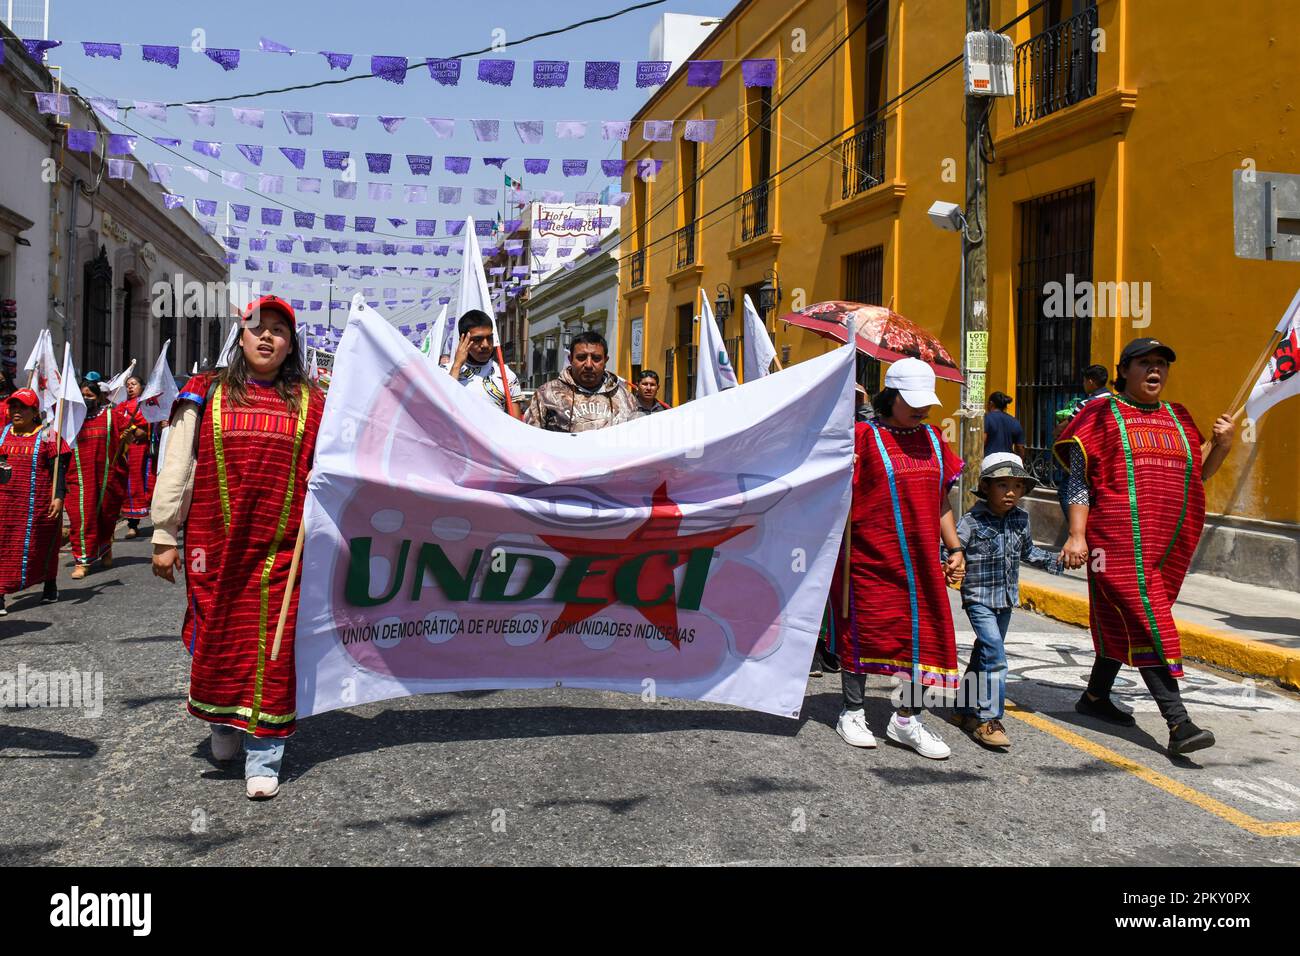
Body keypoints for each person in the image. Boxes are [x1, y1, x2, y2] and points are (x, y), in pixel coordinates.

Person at [151, 295, 325, 800]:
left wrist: (325, 472)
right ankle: (224, 726)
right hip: (215, 545)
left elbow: (339, 458)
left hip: (282, 549)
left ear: (291, 343)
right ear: (241, 336)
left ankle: (264, 752)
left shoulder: (314, 402)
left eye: (279, 330)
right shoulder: (203, 392)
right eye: (258, 328)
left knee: (273, 648)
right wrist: (165, 534)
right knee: (220, 636)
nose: (267, 337)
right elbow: (178, 465)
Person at [1056, 338, 1234, 756]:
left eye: (1161, 364)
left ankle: (1095, 697)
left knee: (1129, 618)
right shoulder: (1101, 414)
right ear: (1124, 371)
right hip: (1112, 541)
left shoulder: (1179, 417)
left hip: (1163, 544)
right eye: (1145, 363)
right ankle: (1179, 722)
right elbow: (1080, 481)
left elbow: (1197, 475)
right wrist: (1077, 534)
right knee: (1146, 617)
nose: (1155, 371)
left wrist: (1222, 444)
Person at [827, 357, 966, 759]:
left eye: (926, 402)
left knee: (926, 635)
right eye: (911, 401)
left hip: (923, 560)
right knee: (864, 629)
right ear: (891, 396)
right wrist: (841, 468)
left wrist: (954, 547)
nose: (922, 409)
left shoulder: (935, 439)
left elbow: (940, 501)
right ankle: (852, 712)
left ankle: (907, 719)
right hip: (870, 557)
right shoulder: (861, 437)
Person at [948, 453, 1063, 749]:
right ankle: (989, 719)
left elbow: (1029, 553)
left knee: (983, 653)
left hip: (1006, 600)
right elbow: (950, 550)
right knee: (996, 656)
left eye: (1017, 485)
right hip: (978, 599)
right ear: (986, 487)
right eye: (1002, 485)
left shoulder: (1022, 519)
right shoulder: (971, 521)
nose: (1011, 491)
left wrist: (1058, 561)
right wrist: (951, 564)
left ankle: (963, 708)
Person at [0, 388, 68, 614]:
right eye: (13, 407)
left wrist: (58, 497)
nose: (16, 411)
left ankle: (50, 584)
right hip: (5, 505)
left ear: (35, 411)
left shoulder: (48, 436)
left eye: (22, 407)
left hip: (37, 505)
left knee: (41, 546)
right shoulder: (2, 434)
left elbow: (58, 470)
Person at [65, 374, 129, 579]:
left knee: (105, 515)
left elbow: (134, 434)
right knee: (80, 517)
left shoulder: (112, 415)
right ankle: (81, 560)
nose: (86, 398)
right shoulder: (70, 419)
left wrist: (129, 435)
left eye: (90, 395)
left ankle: (105, 547)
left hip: (106, 477)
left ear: (99, 397)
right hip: (78, 477)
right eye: (82, 395)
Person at [524, 330, 640, 433]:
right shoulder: (546, 395)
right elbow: (531, 440)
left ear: (605, 360)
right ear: (570, 359)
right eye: (581, 357)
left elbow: (636, 438)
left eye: (596, 358)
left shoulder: (625, 397)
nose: (588, 365)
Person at [1053, 364, 1111, 518]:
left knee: (1066, 490)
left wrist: (1057, 431)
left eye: (1085, 381)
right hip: (1107, 455)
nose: (1084, 385)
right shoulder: (1115, 401)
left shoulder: (1086, 404)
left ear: (1091, 381)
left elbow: (1068, 425)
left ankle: (1076, 527)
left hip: (1084, 455)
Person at [448, 310, 523, 419]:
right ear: (463, 340)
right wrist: (457, 365)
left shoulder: (506, 375)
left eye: (489, 338)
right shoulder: (445, 372)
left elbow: (517, 426)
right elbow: (442, 406)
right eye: (477, 339)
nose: (485, 345)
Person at [117, 375, 157, 539]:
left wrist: (132, 426)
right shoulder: (121, 406)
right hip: (125, 451)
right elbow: (117, 422)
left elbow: (146, 425)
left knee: (143, 483)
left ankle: (144, 521)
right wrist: (130, 427)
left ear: (142, 386)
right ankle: (131, 524)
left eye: (134, 384)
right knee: (126, 485)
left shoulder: (147, 405)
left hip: (143, 452)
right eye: (128, 385)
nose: (130, 387)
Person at [983, 391, 1025, 458]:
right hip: (1009, 461)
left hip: (990, 462)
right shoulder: (1015, 421)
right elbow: (1020, 448)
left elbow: (982, 442)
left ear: (991, 404)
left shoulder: (986, 418)